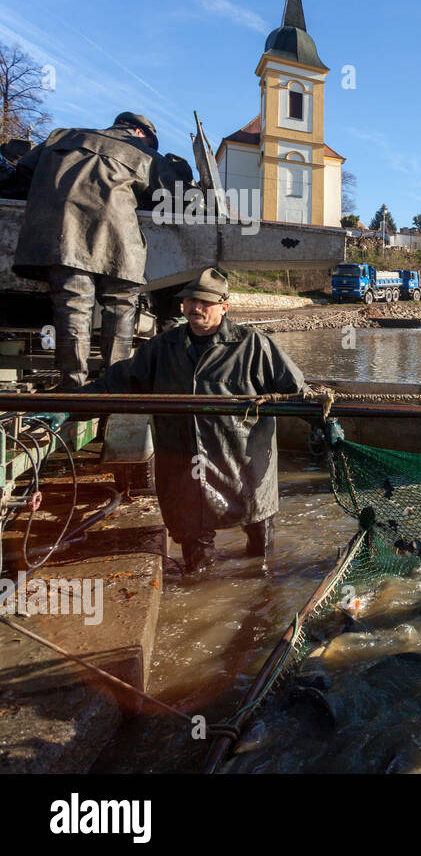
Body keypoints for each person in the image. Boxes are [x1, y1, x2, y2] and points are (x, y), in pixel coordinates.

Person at [82, 268, 306, 574]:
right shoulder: (164, 346)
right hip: (184, 465)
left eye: (204, 302)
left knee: (260, 554)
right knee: (195, 554)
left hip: (243, 464)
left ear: (224, 307)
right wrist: (69, 406)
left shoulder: (254, 345)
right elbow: (118, 382)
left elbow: (297, 391)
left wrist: (326, 425)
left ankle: (262, 598)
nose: (195, 308)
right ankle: (200, 583)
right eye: (189, 301)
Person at [12, 113, 190, 387]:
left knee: (72, 304)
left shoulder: (60, 136)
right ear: (140, 132)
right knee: (120, 304)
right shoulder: (141, 151)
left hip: (62, 233)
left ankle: (73, 385)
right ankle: (115, 383)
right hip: (118, 237)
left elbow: (21, 174)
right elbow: (174, 196)